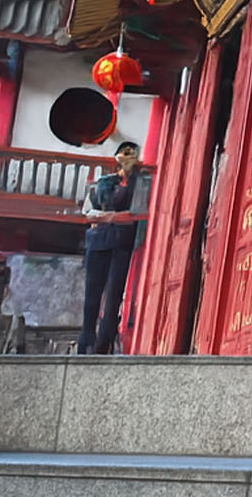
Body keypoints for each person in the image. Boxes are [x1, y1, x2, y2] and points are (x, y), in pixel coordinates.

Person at [77, 141, 146, 354]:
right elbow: (89, 212)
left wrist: (107, 217)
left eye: (132, 154)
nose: (128, 157)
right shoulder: (105, 181)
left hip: (122, 242)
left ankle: (103, 343)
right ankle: (86, 340)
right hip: (98, 241)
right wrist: (112, 217)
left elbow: (134, 214)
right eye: (124, 153)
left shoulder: (140, 183)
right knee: (92, 294)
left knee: (113, 295)